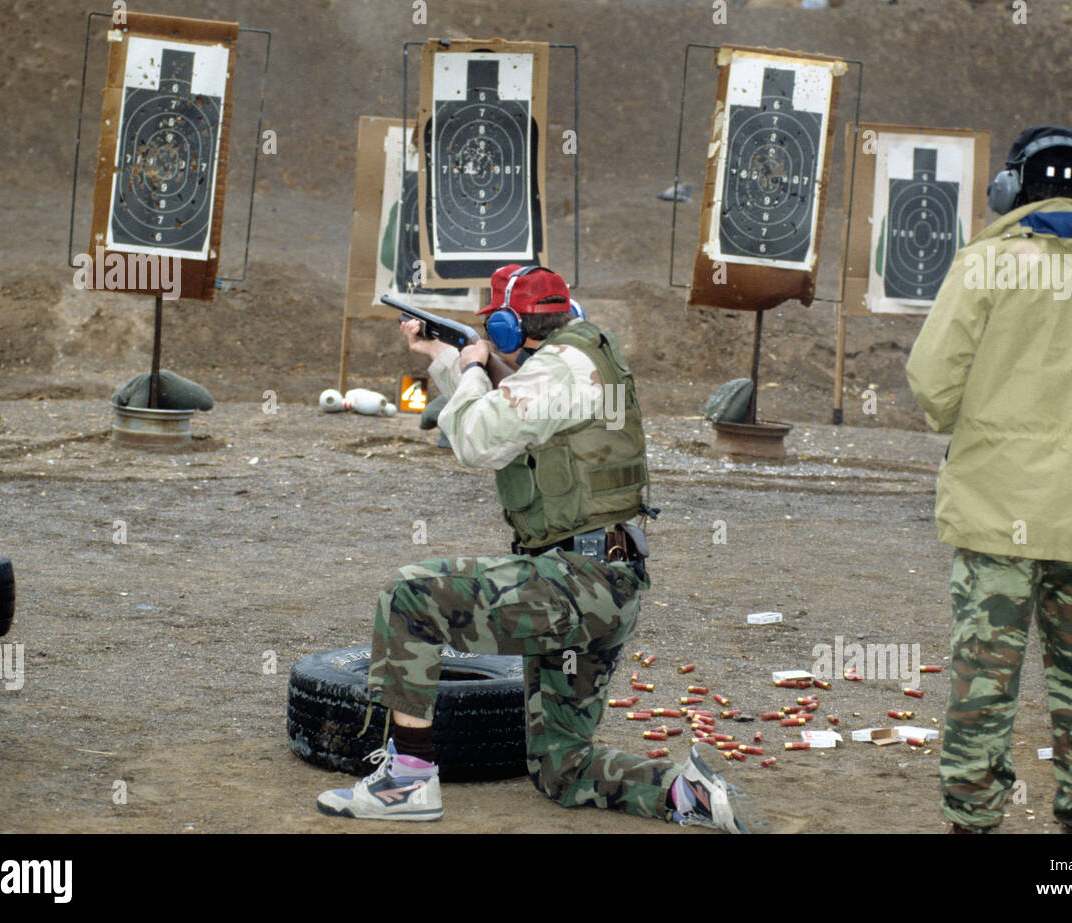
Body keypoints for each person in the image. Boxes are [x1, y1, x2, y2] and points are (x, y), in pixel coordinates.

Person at [316, 264, 763, 832]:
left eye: (492, 329)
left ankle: (406, 781)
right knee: (563, 768)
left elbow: (477, 441)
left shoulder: (560, 368)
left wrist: (473, 365)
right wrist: (446, 359)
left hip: (575, 583)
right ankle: (684, 794)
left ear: (506, 327)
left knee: (410, 594)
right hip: (604, 588)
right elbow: (498, 428)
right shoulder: (578, 360)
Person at [905, 126, 1072, 833]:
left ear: (1009, 189)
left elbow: (932, 384)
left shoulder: (987, 263)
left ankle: (974, 818)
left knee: (984, 682)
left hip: (999, 511)